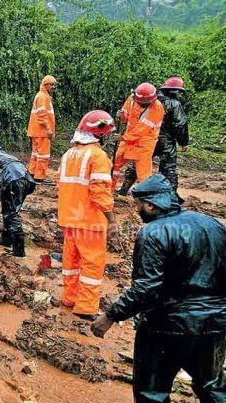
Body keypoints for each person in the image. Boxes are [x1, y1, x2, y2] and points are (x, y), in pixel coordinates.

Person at [92, 174, 226, 403]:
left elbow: (146, 290)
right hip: (216, 323)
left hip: (167, 327)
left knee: (152, 392)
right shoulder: (212, 224)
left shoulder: (153, 232)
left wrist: (109, 316)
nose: (137, 210)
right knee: (213, 385)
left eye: (139, 205)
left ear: (151, 205)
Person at [58, 110, 118, 320]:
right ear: (100, 132)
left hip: (69, 217)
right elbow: (100, 192)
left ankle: (70, 298)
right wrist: (112, 220)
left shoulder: (68, 155)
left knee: (71, 262)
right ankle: (85, 307)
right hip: (90, 221)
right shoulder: (97, 156)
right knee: (91, 265)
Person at [119, 76, 189, 194]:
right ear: (176, 91)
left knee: (136, 164)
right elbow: (180, 124)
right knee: (169, 169)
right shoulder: (174, 104)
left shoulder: (151, 100)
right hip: (165, 141)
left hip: (146, 138)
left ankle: (123, 191)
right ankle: (170, 197)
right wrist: (183, 142)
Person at [0, 145, 37, 257]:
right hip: (27, 181)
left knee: (11, 214)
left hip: (13, 181)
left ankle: (19, 250)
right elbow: (2, 175)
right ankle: (6, 239)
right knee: (8, 210)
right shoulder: (7, 157)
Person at [111, 82, 165, 192]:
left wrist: (123, 137)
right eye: (140, 102)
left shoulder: (158, 108)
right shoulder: (131, 99)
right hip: (128, 140)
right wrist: (121, 116)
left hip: (144, 143)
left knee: (143, 174)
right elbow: (125, 117)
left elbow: (142, 130)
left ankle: (147, 200)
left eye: (145, 103)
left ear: (153, 99)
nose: (142, 104)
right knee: (113, 165)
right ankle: (109, 190)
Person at [27, 75, 57, 182]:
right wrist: (48, 129)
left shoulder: (42, 96)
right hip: (42, 131)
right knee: (43, 155)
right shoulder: (43, 97)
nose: (53, 87)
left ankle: (32, 172)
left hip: (36, 131)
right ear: (46, 84)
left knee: (36, 153)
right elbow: (42, 115)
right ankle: (39, 176)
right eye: (52, 85)